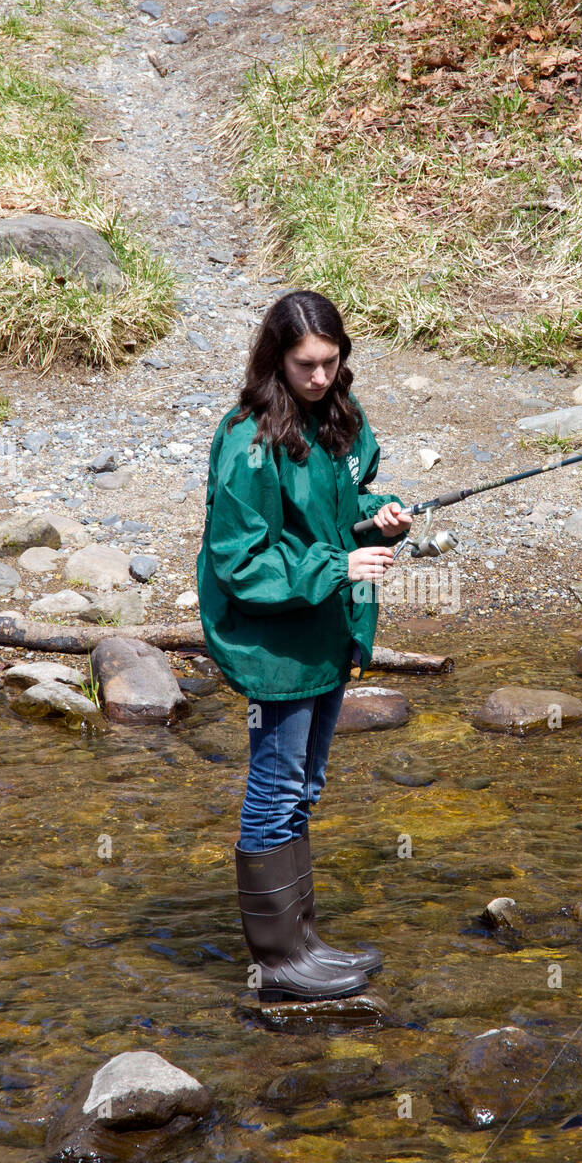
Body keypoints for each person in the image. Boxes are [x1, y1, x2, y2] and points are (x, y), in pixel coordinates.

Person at [196, 291, 411, 1003]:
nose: (319, 376)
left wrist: (376, 522)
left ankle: (302, 941)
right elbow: (240, 560)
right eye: (304, 365)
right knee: (277, 788)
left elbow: (337, 515)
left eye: (330, 361)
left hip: (322, 630)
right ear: (275, 360)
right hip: (274, 640)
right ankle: (278, 961)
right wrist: (335, 566)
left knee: (304, 788)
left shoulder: (335, 420)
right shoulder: (247, 443)